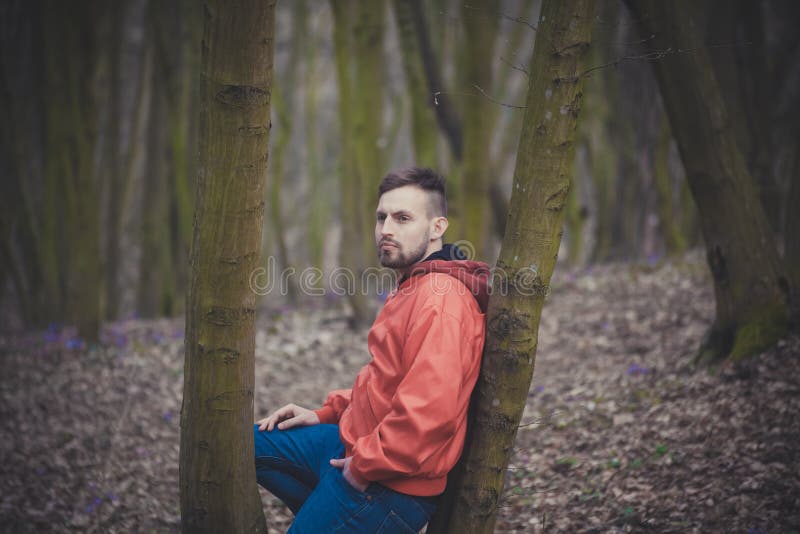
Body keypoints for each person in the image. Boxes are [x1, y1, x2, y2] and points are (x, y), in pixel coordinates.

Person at [254, 167, 490, 533]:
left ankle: (349, 517)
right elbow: (391, 384)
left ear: (437, 227)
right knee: (249, 446)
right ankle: (336, 516)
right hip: (356, 447)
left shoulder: (440, 302)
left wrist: (362, 468)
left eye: (403, 218)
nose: (387, 229)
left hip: (387, 484)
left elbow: (429, 415)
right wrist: (326, 413)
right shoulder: (415, 284)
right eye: (382, 217)